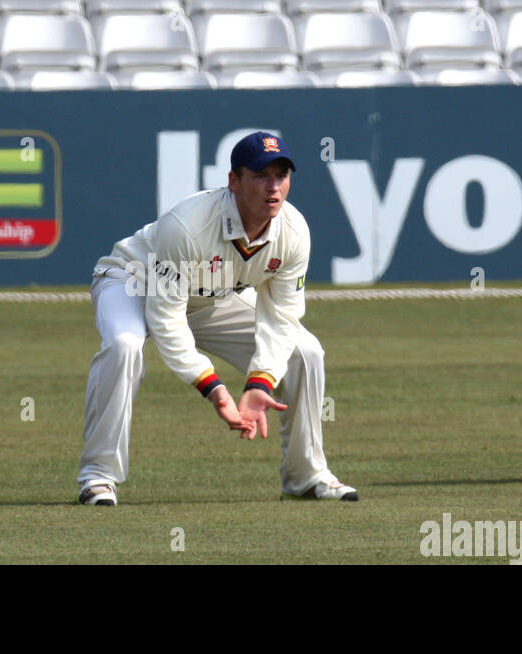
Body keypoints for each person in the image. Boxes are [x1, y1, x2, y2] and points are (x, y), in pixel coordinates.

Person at [76, 131, 358, 506]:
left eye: (281, 175)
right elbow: (166, 318)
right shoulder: (188, 225)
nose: (273, 187)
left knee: (305, 351)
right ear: (234, 181)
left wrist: (260, 383)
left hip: (211, 298)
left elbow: (281, 317)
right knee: (125, 346)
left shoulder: (294, 232)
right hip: (134, 282)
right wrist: (212, 386)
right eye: (260, 176)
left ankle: (305, 475)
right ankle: (98, 477)